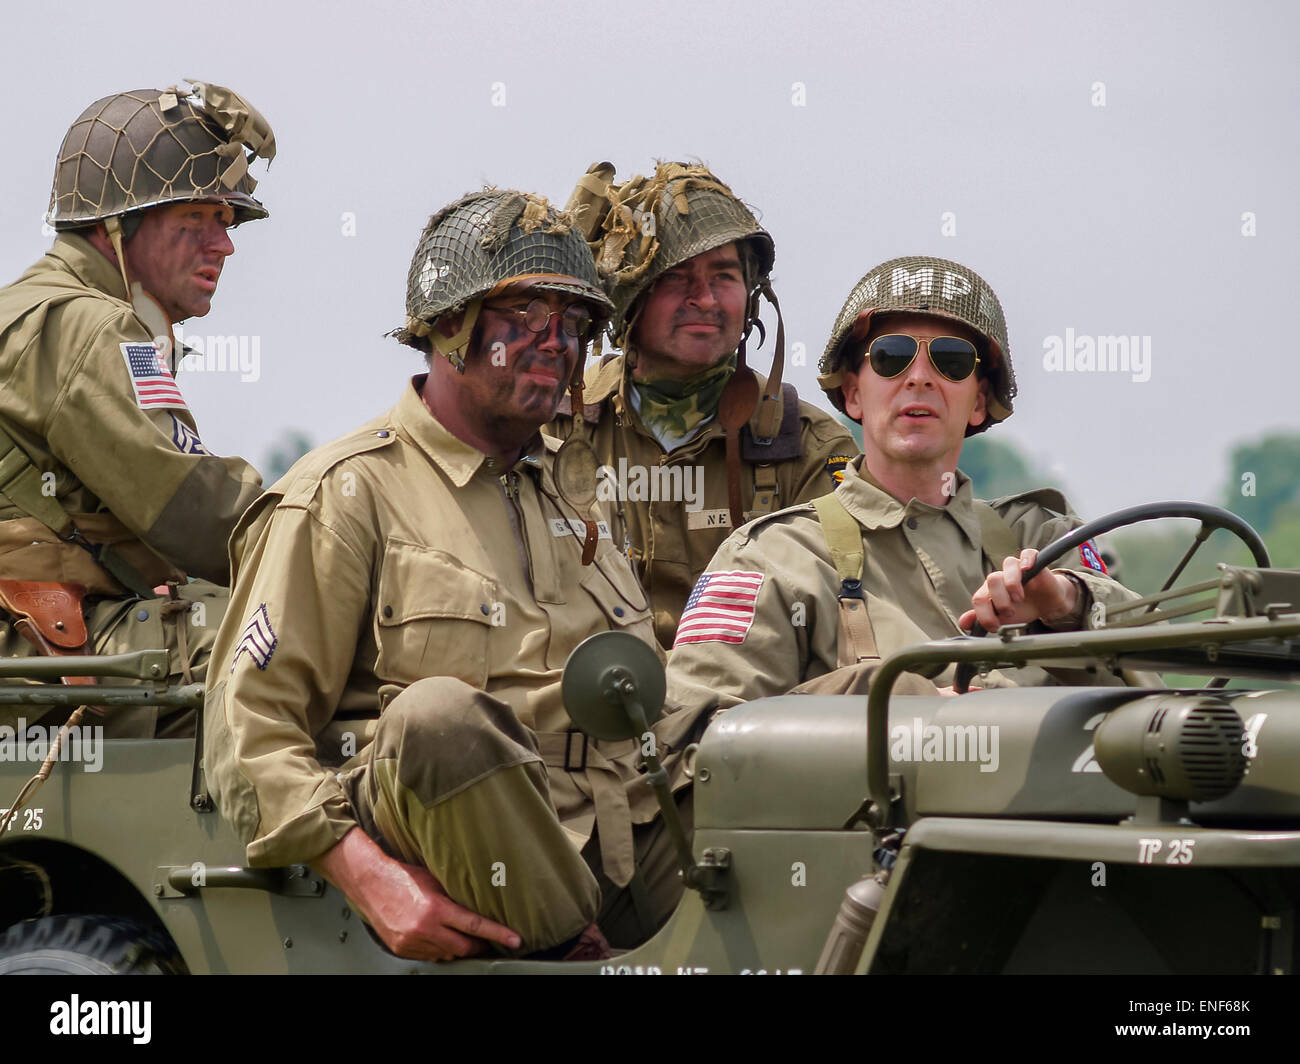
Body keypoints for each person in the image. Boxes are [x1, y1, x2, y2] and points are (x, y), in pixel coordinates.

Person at [205, 190, 698, 962]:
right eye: (525, 318)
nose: (555, 343)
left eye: (572, 325)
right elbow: (248, 736)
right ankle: (571, 950)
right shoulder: (343, 494)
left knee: (800, 744)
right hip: (461, 843)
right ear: (446, 327)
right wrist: (367, 876)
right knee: (438, 721)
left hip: (618, 829)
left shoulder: (574, 491)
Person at [665, 255, 1142, 712]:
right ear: (853, 393)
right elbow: (702, 733)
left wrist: (1065, 603)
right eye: (891, 357)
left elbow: (1153, 666)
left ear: (979, 401)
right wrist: (909, 704)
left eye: (952, 361)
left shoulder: (1040, 539)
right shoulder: (777, 557)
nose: (919, 378)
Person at [0, 81, 274, 737]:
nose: (224, 245)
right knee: (285, 646)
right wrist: (351, 536)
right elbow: (201, 515)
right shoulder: (93, 329)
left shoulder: (39, 309)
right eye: (196, 220)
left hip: (38, 633)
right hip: (34, 652)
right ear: (114, 227)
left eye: (226, 221)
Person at [548, 162, 857, 649]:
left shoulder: (807, 447)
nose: (706, 298)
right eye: (677, 278)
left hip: (745, 708)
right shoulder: (552, 429)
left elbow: (843, 617)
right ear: (631, 298)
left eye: (724, 275)